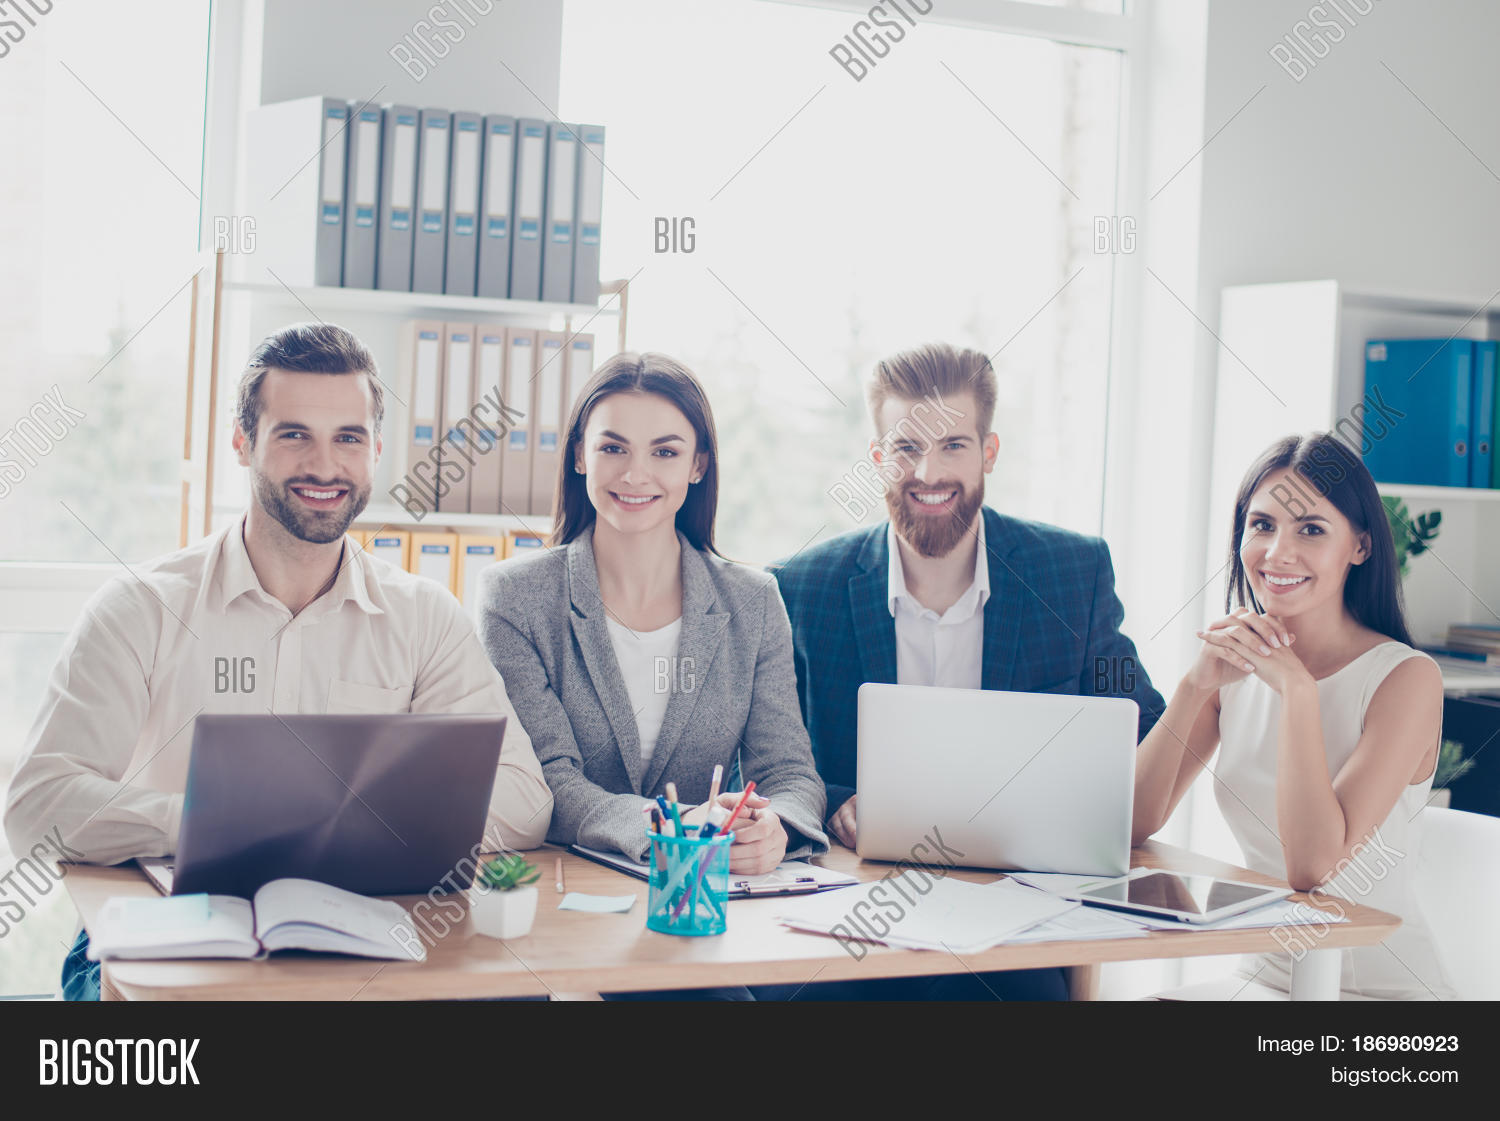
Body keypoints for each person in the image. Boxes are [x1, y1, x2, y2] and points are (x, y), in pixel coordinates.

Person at [4, 323, 552, 1001]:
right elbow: (38, 804)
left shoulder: (424, 616)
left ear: (376, 449)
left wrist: (369, 824)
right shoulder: (139, 607)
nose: (325, 466)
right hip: (167, 945)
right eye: (294, 434)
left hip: (357, 944)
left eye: (348, 438)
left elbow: (526, 800)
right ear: (242, 441)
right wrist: (209, 821)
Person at [769, 341, 1165, 1000]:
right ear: (877, 459)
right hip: (850, 922)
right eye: (905, 448)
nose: (928, 471)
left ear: (988, 452)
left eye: (953, 444)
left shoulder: (1071, 575)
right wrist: (836, 803)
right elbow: (762, 760)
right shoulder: (800, 587)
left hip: (1010, 923)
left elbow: (1139, 723)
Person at [478, 351, 828, 874]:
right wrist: (676, 825)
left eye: (665, 452)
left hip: (709, 894)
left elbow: (789, 770)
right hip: (566, 891)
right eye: (613, 448)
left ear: (698, 465)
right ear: (579, 456)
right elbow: (548, 781)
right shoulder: (514, 597)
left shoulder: (753, 601)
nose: (636, 474)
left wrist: (775, 824)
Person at [1132, 432, 1454, 1000]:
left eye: (1310, 529)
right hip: (1262, 979)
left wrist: (1298, 693)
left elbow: (1314, 868)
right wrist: (1194, 685)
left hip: (1373, 994)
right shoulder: (1233, 669)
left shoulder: (1405, 678)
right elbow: (1131, 822)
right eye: (1261, 525)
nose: (1277, 552)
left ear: (1359, 546)